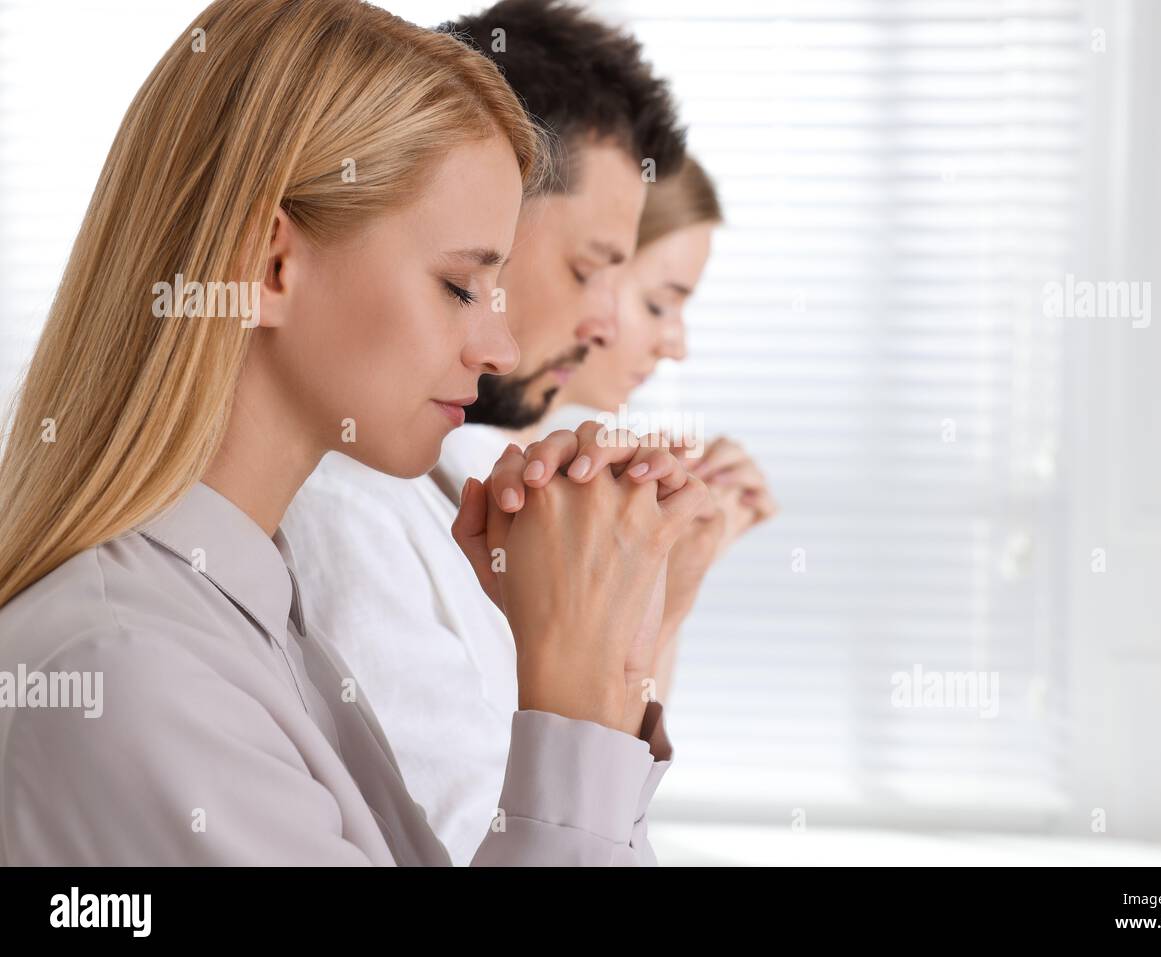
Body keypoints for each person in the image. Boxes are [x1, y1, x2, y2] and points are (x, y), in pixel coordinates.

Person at [0, 0, 707, 866]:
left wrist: (614, 641)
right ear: (271, 266)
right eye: (459, 287)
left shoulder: (267, 630)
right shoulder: (129, 674)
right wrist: (572, 708)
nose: (502, 347)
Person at [281, 0, 694, 864]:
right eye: (591, 270)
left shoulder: (437, 484)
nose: (607, 324)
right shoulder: (337, 512)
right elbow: (481, 839)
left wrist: (639, 620)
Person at [541, 155, 779, 699]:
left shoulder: (587, 472)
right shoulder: (395, 497)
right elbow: (557, 770)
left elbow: (622, 769)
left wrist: (673, 568)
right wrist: (660, 597)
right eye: (656, 305)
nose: (677, 345)